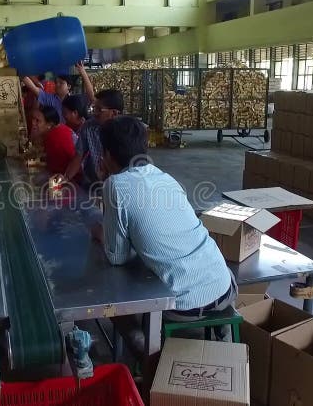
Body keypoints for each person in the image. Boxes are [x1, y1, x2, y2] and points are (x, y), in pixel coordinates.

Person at [92, 116, 237, 321]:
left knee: (124, 304)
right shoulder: (164, 177)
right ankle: (221, 330)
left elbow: (117, 257)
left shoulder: (114, 185)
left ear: (107, 154)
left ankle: (143, 338)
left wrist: (100, 234)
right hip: (225, 287)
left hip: (185, 306)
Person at [64, 89, 124, 189]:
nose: (94, 113)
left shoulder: (127, 132)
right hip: (92, 183)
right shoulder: (89, 126)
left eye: (99, 110)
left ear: (114, 113)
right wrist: (65, 178)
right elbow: (78, 156)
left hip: (119, 185)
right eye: (94, 108)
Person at [22, 62, 95, 123]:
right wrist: (21, 72)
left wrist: (83, 72)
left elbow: (91, 96)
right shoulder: (50, 99)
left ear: (69, 86)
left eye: (61, 83)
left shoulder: (75, 100)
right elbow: (33, 88)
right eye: (56, 82)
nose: (57, 85)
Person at [30, 105, 76, 175]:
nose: (33, 123)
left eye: (37, 121)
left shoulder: (55, 138)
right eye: (33, 119)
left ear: (49, 125)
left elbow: (54, 169)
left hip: (74, 178)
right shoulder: (57, 129)